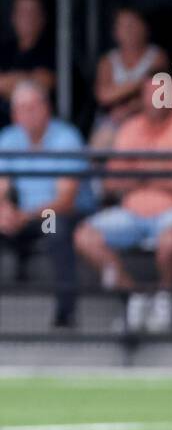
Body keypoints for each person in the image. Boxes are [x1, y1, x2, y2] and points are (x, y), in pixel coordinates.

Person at [74, 74, 172, 333]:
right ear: (142, 97)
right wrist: (159, 169)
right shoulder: (130, 126)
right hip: (131, 213)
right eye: (151, 93)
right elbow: (113, 180)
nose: (156, 100)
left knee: (171, 240)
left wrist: (139, 171)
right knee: (84, 236)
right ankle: (134, 295)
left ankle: (165, 298)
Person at [0, 81, 93, 327]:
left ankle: (65, 312)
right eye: (22, 108)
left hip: (59, 213)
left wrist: (25, 216)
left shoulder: (66, 137)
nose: (28, 114)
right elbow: (1, 185)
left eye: (34, 106)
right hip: (22, 215)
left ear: (47, 108)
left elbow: (65, 200)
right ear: (14, 114)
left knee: (55, 230)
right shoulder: (9, 138)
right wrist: (4, 211)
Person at [93, 7, 168, 141]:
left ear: (145, 28)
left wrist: (128, 107)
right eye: (123, 26)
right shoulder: (108, 61)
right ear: (115, 32)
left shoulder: (157, 56)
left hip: (147, 115)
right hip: (114, 119)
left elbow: (158, 93)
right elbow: (103, 95)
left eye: (133, 24)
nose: (129, 31)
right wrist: (140, 83)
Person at [0, 0, 56, 127]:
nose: (27, 18)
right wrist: (28, 78)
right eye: (22, 13)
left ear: (43, 18)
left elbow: (44, 83)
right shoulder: (4, 50)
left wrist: (6, 81)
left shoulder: (52, 51)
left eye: (32, 12)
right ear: (13, 18)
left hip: (37, 128)